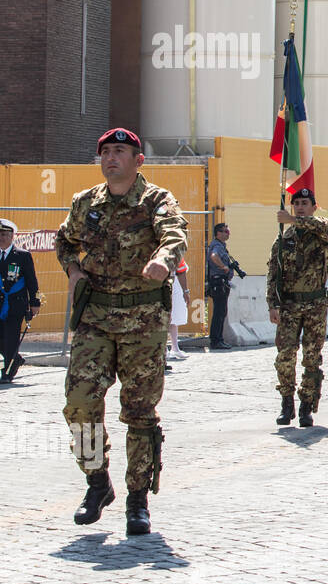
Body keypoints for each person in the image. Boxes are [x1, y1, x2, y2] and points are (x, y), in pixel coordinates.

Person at [56, 127, 187, 536]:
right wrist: (74, 269)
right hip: (95, 319)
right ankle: (97, 483)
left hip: (142, 323)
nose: (112, 158)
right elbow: (64, 241)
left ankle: (137, 500)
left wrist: (163, 261)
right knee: (80, 404)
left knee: (139, 413)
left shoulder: (156, 200)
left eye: (120, 151)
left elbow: (175, 234)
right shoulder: (85, 202)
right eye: (106, 152)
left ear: (138, 161)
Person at [267, 187, 328, 426]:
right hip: (289, 305)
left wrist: (293, 220)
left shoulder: (323, 230)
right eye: (296, 203)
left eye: (305, 203)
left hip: (315, 305)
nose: (300, 206)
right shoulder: (283, 238)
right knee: (285, 356)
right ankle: (287, 403)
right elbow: (273, 272)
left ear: (314, 207)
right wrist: (272, 304)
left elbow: (324, 227)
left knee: (311, 357)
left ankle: (307, 404)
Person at [0, 218, 40, 383]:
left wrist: (35, 303)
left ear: (12, 236)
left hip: (16, 305)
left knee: (10, 338)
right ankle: (15, 358)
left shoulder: (22, 256)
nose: (1, 237)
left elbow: (32, 280)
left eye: (4, 234)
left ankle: (8, 372)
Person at [205, 222, 240, 349]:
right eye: (225, 231)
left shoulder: (221, 246)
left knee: (221, 311)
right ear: (218, 233)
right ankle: (216, 340)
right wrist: (223, 266)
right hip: (218, 281)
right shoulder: (217, 246)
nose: (227, 233)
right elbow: (214, 256)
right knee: (219, 312)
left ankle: (218, 339)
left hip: (221, 282)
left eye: (228, 231)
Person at [166, 257, 189, 363]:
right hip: (160, 284)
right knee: (164, 317)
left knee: (174, 317)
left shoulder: (175, 252)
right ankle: (164, 349)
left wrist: (186, 291)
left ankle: (175, 347)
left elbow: (181, 270)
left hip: (174, 284)